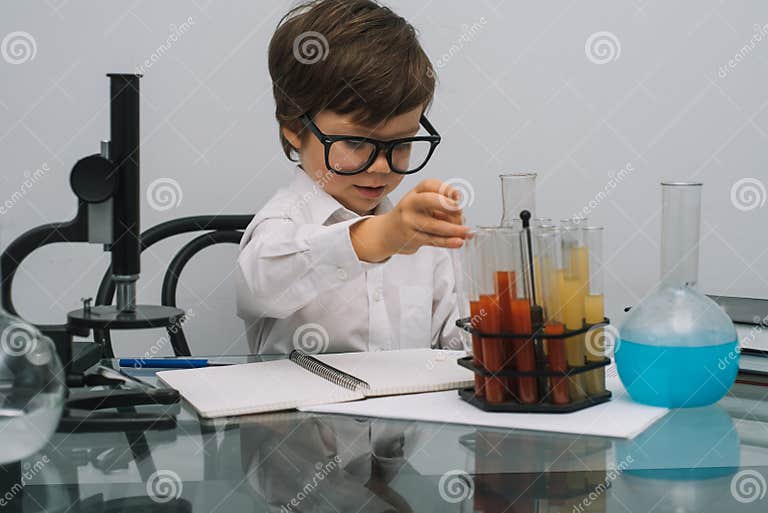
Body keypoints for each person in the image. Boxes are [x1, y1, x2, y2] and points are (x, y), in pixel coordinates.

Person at [236, 0, 471, 354]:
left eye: (402, 143)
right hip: (304, 410)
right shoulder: (281, 224)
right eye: (356, 142)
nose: (380, 166)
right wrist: (376, 238)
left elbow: (454, 345)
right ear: (294, 129)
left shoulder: (420, 237)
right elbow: (258, 286)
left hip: (410, 408)